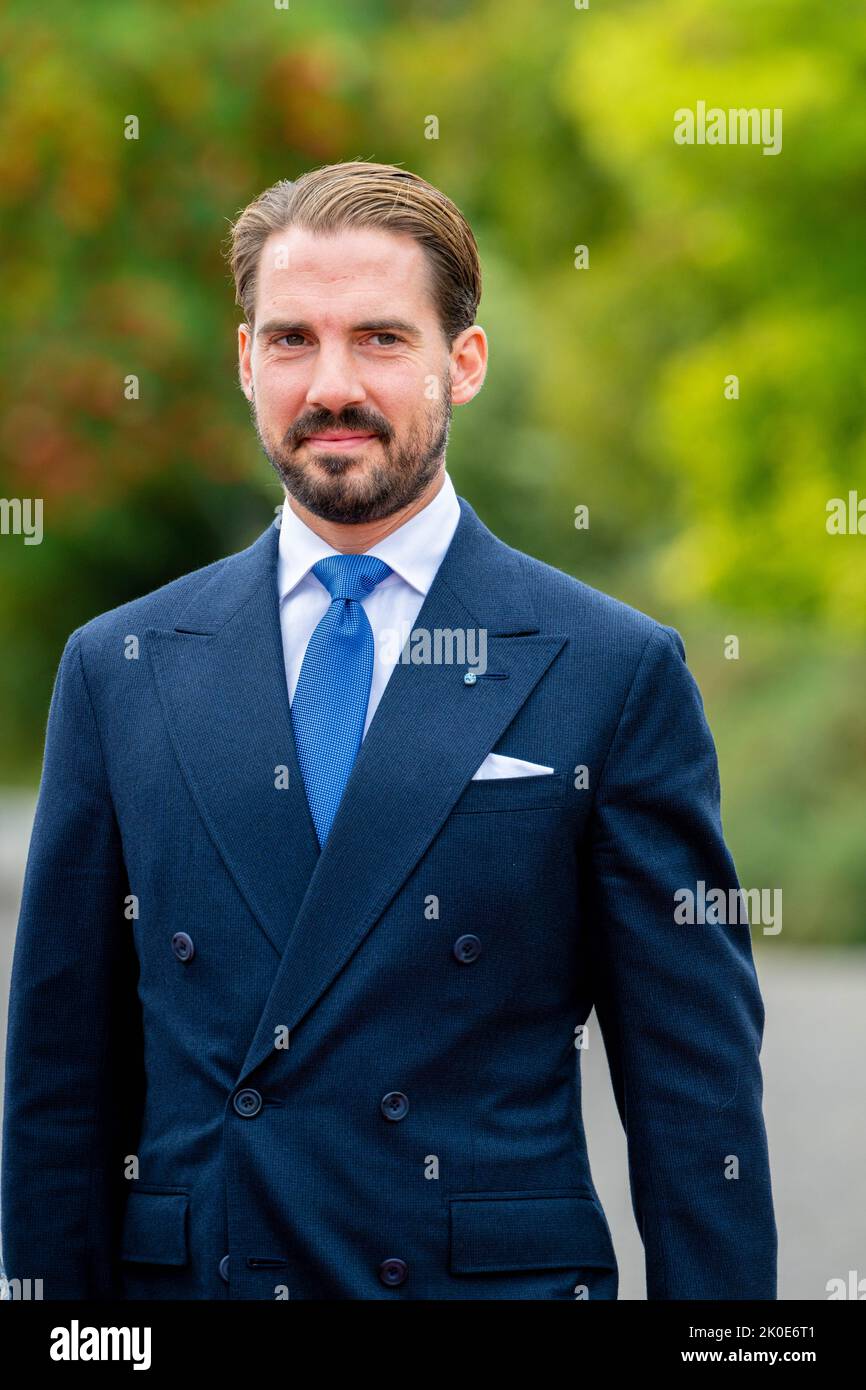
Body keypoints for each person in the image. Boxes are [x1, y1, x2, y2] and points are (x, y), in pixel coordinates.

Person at [0, 161, 776, 1300]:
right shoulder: (118, 667)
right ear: (242, 360)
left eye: (378, 339)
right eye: (290, 340)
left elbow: (693, 1092)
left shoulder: (610, 670)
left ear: (460, 364)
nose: (330, 385)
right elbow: (61, 1080)